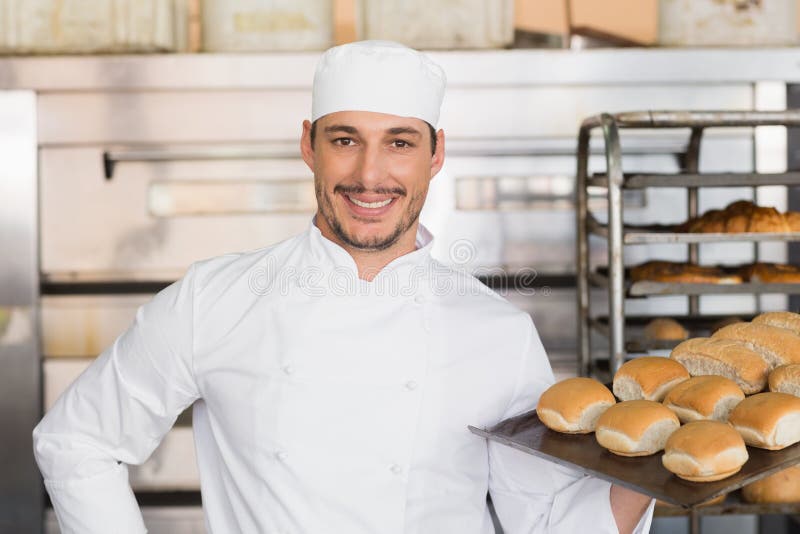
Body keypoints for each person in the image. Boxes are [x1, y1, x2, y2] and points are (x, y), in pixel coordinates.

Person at [34, 40, 654, 533]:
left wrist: (657, 464)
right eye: (345, 140)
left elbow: (546, 525)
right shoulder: (214, 300)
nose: (369, 174)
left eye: (400, 143)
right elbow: (75, 440)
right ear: (309, 146)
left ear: (436, 156)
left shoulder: (497, 333)